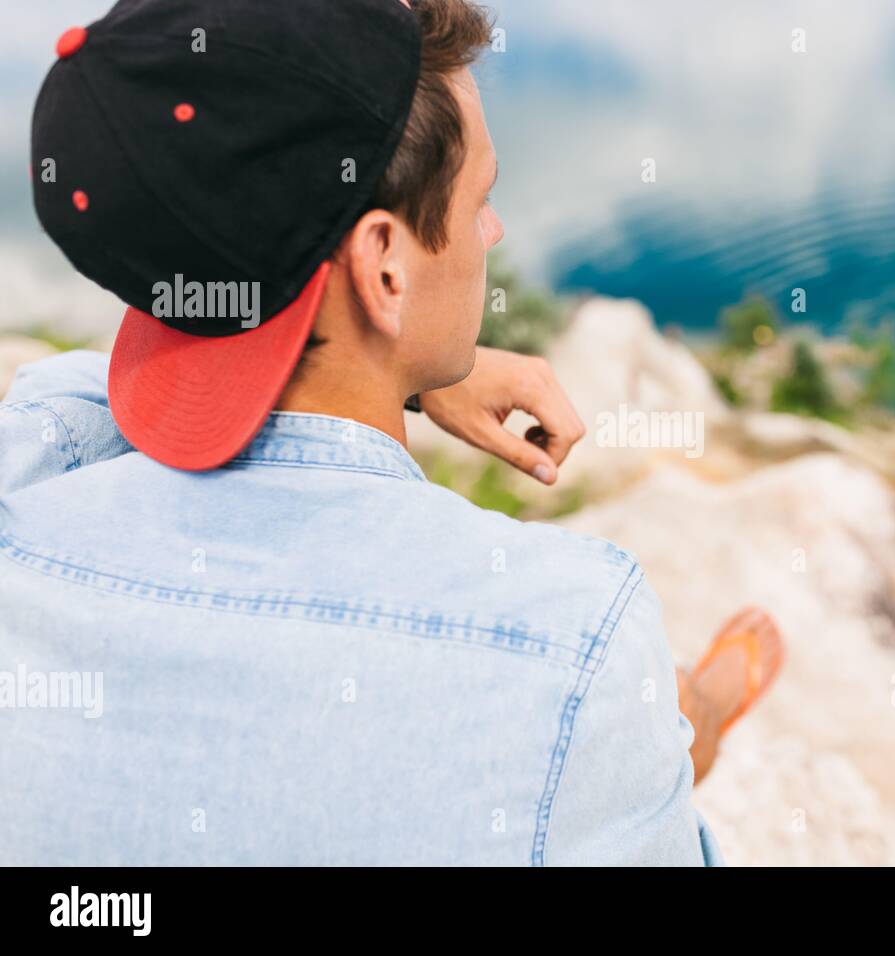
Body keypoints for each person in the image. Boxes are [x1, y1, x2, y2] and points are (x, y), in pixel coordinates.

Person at [0, 0, 781, 865]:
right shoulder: (572, 636)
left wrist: (393, 355)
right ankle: (702, 712)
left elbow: (64, 400)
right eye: (482, 196)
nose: (494, 231)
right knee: (642, 740)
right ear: (381, 264)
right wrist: (390, 355)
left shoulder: (23, 488)